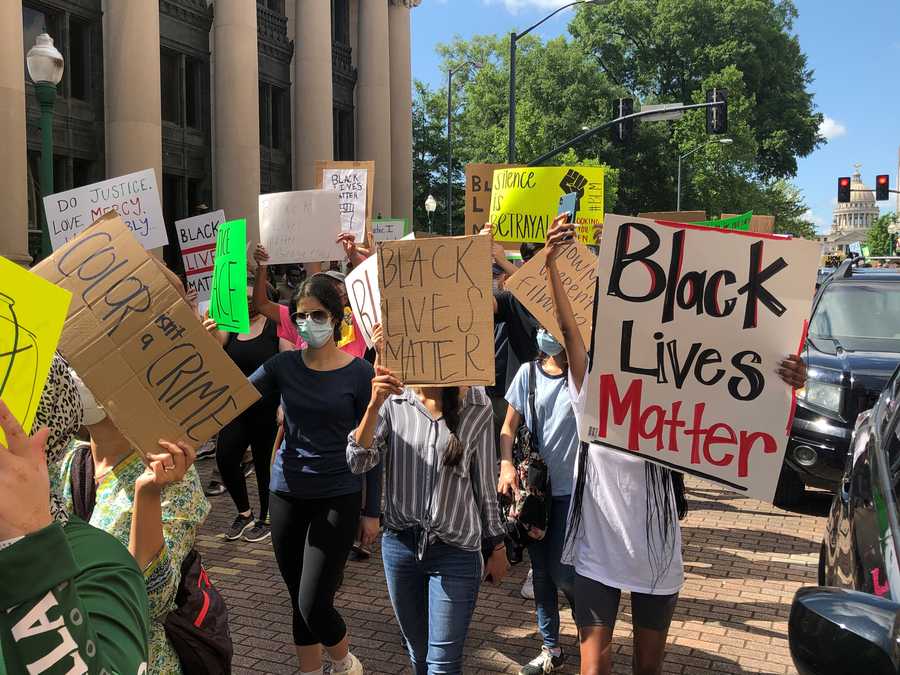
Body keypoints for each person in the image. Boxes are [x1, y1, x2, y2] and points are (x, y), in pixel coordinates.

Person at [543, 216, 807, 675]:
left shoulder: (684, 390)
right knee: (594, 667)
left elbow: (739, 391)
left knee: (649, 668)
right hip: (596, 551)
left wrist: (786, 380)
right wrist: (552, 263)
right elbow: (568, 332)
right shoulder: (592, 386)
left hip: (657, 552)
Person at [348, 324, 509, 675]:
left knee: (441, 665)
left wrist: (496, 544)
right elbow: (357, 460)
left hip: (455, 551)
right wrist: (373, 404)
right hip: (400, 549)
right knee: (418, 657)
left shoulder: (477, 402)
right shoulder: (394, 399)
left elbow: (484, 481)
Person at [248, 274, 379, 675]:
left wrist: (370, 509)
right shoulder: (282, 366)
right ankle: (309, 671)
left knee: (314, 601)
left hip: (337, 494)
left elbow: (371, 446)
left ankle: (345, 663)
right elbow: (233, 394)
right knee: (296, 597)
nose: (308, 323)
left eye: (318, 315)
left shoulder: (359, 373)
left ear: (337, 319)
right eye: (301, 316)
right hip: (286, 493)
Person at [0, 355, 151, 674]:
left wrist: (27, 549)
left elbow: (158, 584)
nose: (83, 381)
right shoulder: (74, 462)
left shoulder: (99, 561)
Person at [56, 372, 208, 675]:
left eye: (86, 370)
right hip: (64, 651)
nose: (74, 378)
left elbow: (150, 599)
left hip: (133, 659)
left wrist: (147, 494)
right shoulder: (66, 460)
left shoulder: (173, 476)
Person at [498, 326, 578, 674]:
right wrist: (505, 464)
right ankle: (551, 647)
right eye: (542, 327)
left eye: (555, 327)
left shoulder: (584, 375)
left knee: (565, 575)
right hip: (536, 496)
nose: (548, 334)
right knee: (542, 574)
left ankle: (591, 621)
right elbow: (508, 427)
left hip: (573, 492)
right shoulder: (527, 373)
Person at [209, 285, 293, 542]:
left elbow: (289, 366)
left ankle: (266, 518)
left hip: (268, 410)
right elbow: (215, 347)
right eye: (241, 298)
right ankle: (244, 513)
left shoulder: (276, 326)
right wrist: (210, 329)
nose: (245, 303)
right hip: (237, 407)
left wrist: (284, 405)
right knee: (225, 456)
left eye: (250, 298)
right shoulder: (232, 326)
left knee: (265, 466)